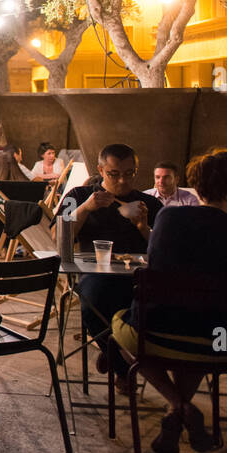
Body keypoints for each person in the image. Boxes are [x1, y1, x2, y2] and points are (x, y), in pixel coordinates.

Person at [113, 151, 227, 453]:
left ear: (198, 188)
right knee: (201, 327)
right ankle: (179, 408)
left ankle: (178, 407)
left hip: (155, 335)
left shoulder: (168, 219)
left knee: (119, 328)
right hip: (221, 345)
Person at [57, 142, 161, 385]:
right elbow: (58, 238)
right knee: (94, 300)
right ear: (101, 170)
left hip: (138, 276)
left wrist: (143, 228)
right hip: (95, 274)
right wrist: (86, 208)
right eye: (114, 174)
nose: (122, 181)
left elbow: (163, 249)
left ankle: (113, 350)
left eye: (129, 174)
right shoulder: (78, 196)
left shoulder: (149, 203)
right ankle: (123, 368)